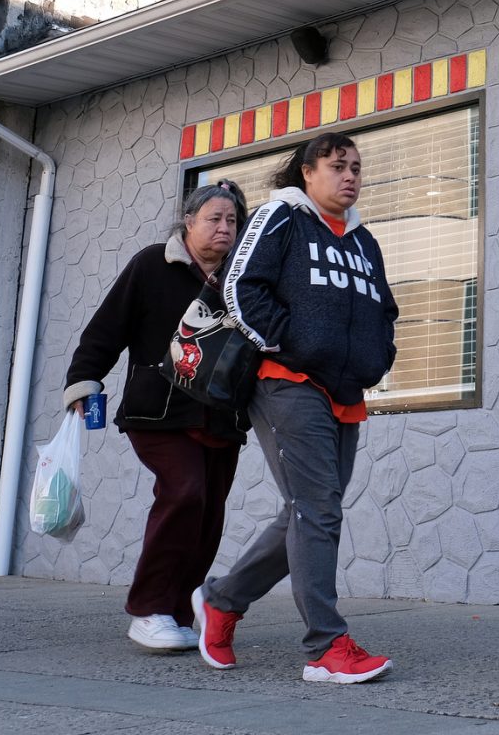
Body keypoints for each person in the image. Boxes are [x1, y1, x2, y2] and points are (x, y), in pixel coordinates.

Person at [191, 132, 399, 684]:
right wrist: (289, 342)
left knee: (307, 513)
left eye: (356, 167)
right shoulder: (282, 215)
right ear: (308, 172)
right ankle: (326, 648)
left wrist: (377, 359)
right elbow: (240, 285)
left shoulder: (363, 241)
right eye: (338, 165)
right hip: (288, 380)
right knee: (318, 511)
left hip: (346, 391)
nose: (350, 175)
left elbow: (386, 310)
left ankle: (222, 600)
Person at [61, 181, 250, 652]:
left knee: (208, 514)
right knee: (184, 492)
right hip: (157, 410)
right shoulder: (152, 264)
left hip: (220, 414)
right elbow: (108, 327)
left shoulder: (243, 276)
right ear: (188, 222)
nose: (225, 228)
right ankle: (148, 609)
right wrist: (86, 380)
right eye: (215, 218)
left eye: (232, 220)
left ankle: (178, 613)